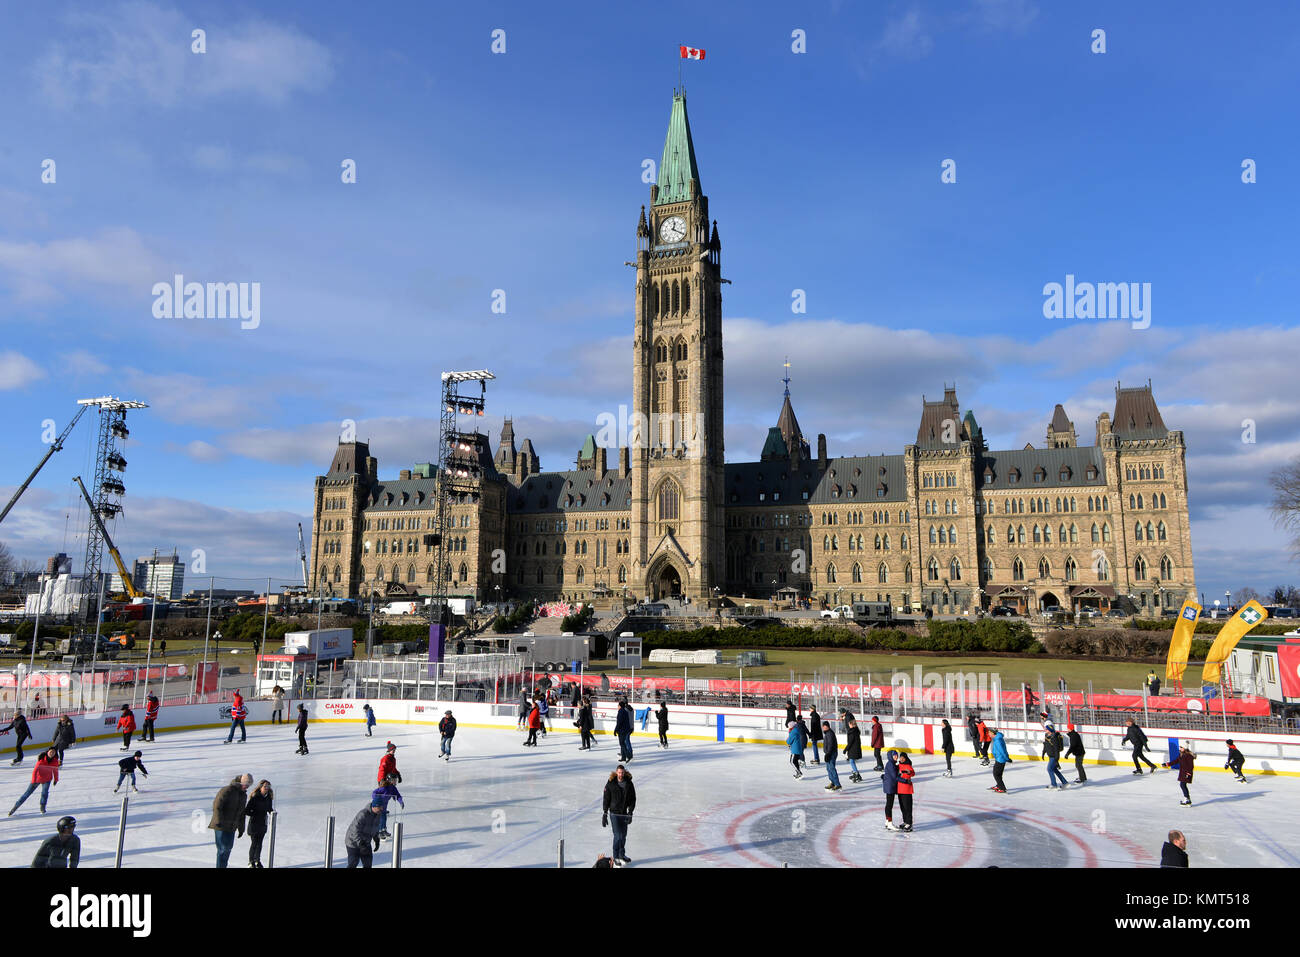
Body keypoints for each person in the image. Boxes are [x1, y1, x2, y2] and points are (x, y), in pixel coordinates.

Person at [209, 774, 252, 869]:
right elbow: (217, 805)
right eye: (246, 784)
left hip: (232, 826)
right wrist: (218, 820)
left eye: (249, 785)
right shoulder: (227, 790)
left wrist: (241, 827)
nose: (247, 786)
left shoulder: (243, 795)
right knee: (222, 849)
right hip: (220, 825)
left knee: (228, 849)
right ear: (241, 782)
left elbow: (241, 813)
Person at [601, 764, 636, 867]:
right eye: (619, 772)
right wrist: (604, 813)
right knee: (618, 836)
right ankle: (615, 856)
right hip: (614, 813)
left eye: (622, 772)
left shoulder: (629, 784)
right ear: (616, 772)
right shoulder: (611, 783)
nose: (621, 774)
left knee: (623, 835)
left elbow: (633, 799)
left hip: (624, 813)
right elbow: (606, 798)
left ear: (624, 772)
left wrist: (630, 813)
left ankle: (622, 855)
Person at [9, 748, 59, 816]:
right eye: (51, 752)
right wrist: (33, 780)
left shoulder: (55, 761)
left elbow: (55, 771)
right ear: (47, 752)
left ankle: (42, 807)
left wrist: (56, 779)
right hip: (37, 779)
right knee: (27, 794)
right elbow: (35, 771)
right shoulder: (41, 760)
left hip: (47, 779)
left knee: (45, 794)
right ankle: (15, 807)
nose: (52, 753)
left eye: (53, 752)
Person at [345, 802, 384, 868]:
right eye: (379, 808)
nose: (381, 810)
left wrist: (376, 838)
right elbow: (354, 831)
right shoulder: (363, 814)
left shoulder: (378, 814)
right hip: (353, 841)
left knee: (368, 863)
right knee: (353, 863)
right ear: (374, 807)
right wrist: (360, 844)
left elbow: (376, 827)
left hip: (366, 841)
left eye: (382, 808)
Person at [244, 780, 273, 868]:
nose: (267, 788)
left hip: (263, 824)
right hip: (254, 824)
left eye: (268, 787)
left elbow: (269, 808)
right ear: (260, 787)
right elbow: (247, 810)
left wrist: (272, 812)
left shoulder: (268, 798)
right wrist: (255, 814)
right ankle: (251, 861)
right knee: (254, 843)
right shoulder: (255, 797)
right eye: (265, 786)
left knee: (260, 844)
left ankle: (257, 860)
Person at [372, 774, 404, 840]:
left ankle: (383, 830)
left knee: (384, 818)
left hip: (384, 807)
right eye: (394, 780)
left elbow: (397, 795)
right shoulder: (384, 787)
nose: (395, 781)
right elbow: (374, 792)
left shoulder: (393, 788)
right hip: (378, 807)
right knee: (380, 819)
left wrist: (401, 801)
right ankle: (379, 832)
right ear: (389, 780)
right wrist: (376, 800)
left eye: (396, 780)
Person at [896, 752, 915, 832]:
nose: (901, 759)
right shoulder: (898, 766)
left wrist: (908, 772)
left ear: (906, 758)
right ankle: (905, 821)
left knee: (908, 807)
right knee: (902, 807)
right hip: (900, 790)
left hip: (907, 790)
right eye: (901, 757)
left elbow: (912, 773)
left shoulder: (908, 766)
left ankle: (909, 823)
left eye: (903, 758)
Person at [882, 750, 901, 830]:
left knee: (889, 804)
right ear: (891, 756)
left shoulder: (891, 764)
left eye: (896, 755)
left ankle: (887, 821)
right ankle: (889, 823)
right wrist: (905, 780)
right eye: (894, 756)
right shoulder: (890, 764)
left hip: (889, 786)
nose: (896, 757)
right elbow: (895, 777)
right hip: (890, 787)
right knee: (889, 805)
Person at [821, 721, 841, 791]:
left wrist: (828, 754)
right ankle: (832, 782)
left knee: (831, 768)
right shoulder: (827, 733)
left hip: (831, 753)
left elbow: (830, 744)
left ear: (826, 726)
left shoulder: (830, 733)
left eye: (823, 726)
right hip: (829, 753)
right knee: (828, 768)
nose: (822, 728)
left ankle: (837, 784)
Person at [843, 717, 863, 783]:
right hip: (855, 749)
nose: (849, 725)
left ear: (851, 724)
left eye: (849, 724)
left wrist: (845, 749)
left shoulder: (852, 732)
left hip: (853, 749)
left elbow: (850, 742)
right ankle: (855, 773)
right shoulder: (855, 730)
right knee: (852, 761)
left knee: (851, 761)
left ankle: (856, 773)